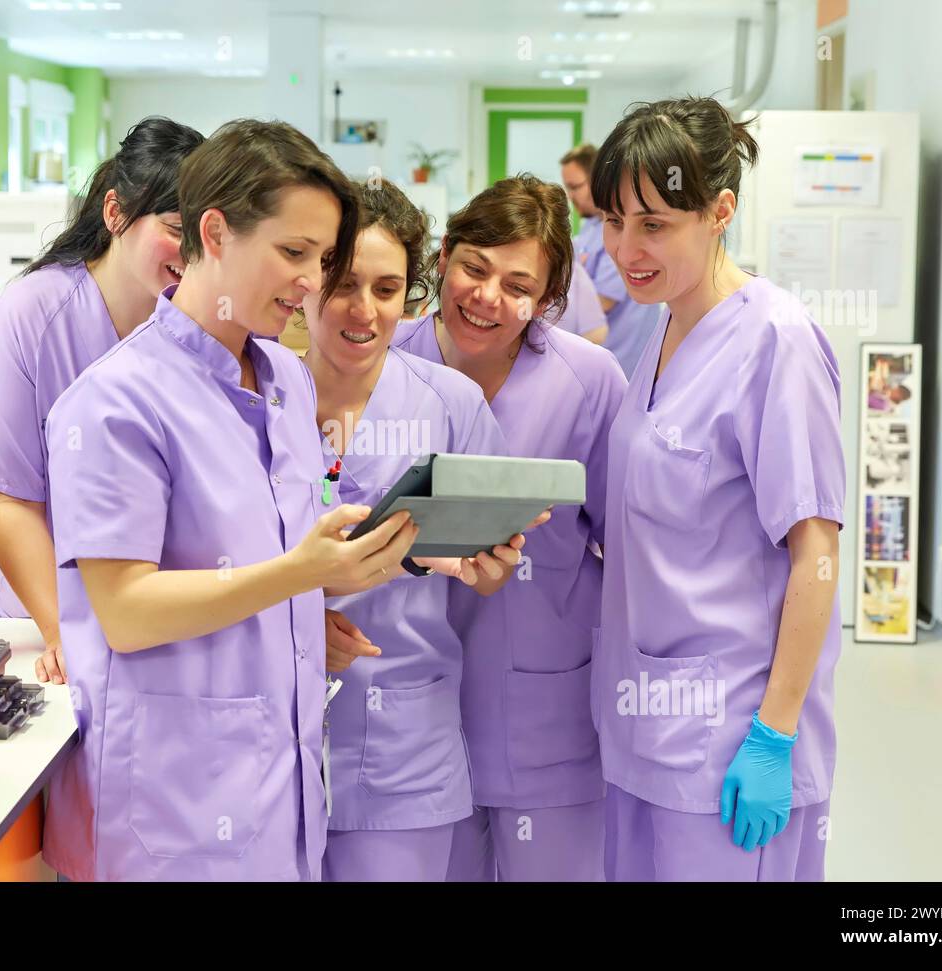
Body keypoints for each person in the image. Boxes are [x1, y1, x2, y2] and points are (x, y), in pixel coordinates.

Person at [41, 119, 418, 881]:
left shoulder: (287, 383)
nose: (312, 282)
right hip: (175, 816)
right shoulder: (117, 404)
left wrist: (325, 593)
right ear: (214, 232)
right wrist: (297, 575)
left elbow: (267, 561)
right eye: (293, 252)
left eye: (322, 258)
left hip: (286, 802)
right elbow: (127, 608)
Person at [588, 96, 845, 881]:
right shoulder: (663, 326)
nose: (626, 248)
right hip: (643, 729)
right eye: (612, 220)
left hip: (728, 741)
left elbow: (817, 555)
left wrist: (774, 733)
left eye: (654, 224)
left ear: (719, 211)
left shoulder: (777, 342)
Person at [393, 174, 627, 881]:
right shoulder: (384, 363)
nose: (488, 296)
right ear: (442, 259)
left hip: (548, 712)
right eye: (474, 266)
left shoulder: (589, 382)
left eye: (518, 283)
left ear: (550, 299)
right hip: (412, 714)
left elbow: (624, 548)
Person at [301, 181, 531, 881]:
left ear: (412, 295)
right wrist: (303, 615)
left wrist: (491, 569)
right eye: (343, 283)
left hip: (405, 747)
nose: (363, 310)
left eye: (387, 287)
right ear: (307, 281)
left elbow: (486, 558)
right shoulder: (260, 397)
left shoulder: (449, 404)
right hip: (274, 741)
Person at [0, 116, 204, 685]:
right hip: (46, 632)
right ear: (116, 214)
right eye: (174, 229)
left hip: (162, 626)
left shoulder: (199, 329)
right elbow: (11, 501)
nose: (190, 253)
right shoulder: (36, 316)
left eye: (205, 235)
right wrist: (66, 632)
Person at [561, 142, 661, 378]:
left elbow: (604, 300)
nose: (570, 195)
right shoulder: (589, 229)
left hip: (622, 360)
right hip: (598, 356)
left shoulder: (619, 230)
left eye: (575, 186)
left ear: (598, 181)